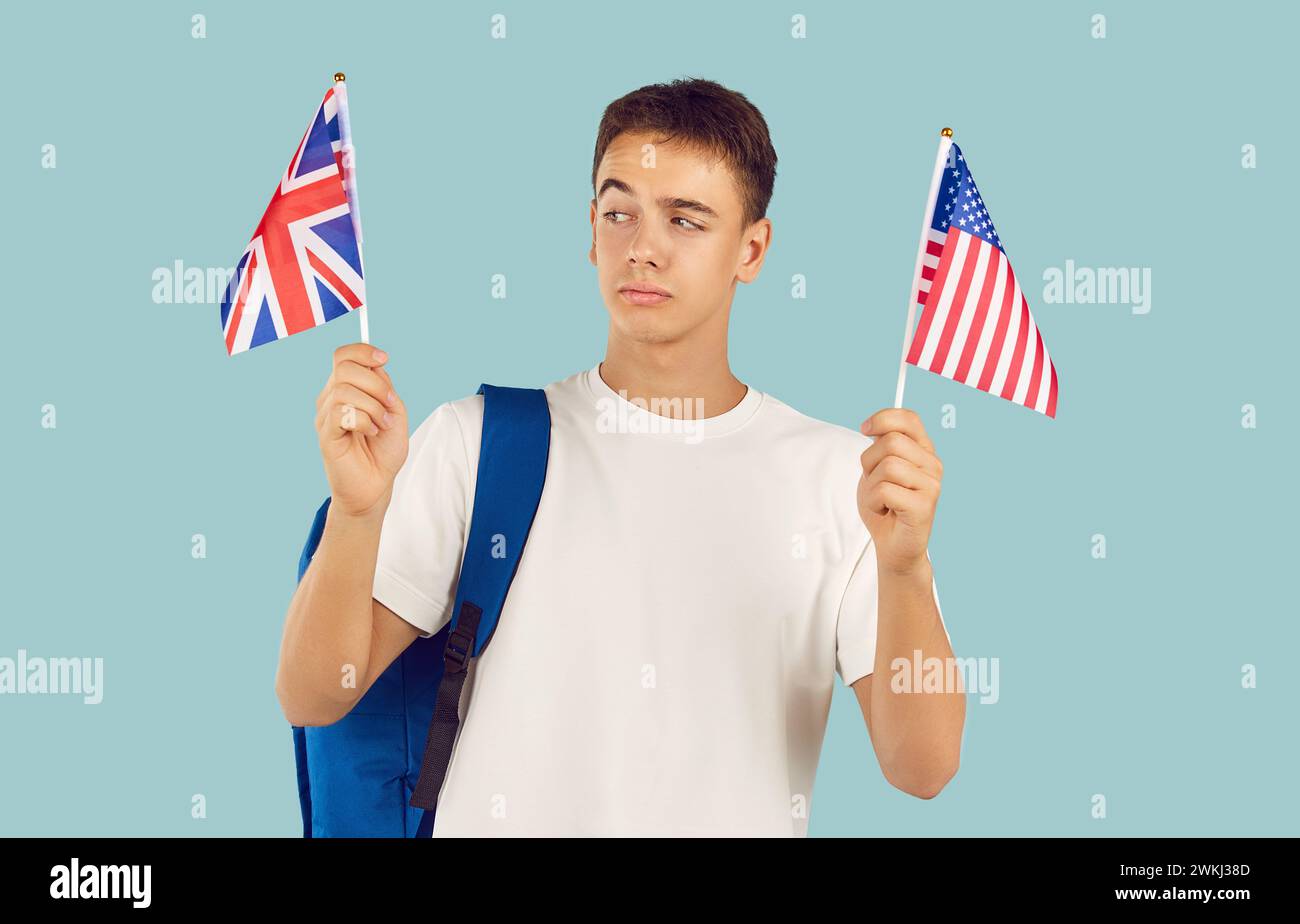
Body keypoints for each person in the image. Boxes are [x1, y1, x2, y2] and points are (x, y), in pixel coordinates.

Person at [275, 77, 965, 837]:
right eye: (619, 212)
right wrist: (357, 512)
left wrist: (904, 569)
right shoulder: (478, 443)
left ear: (753, 249)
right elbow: (314, 697)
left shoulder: (846, 480)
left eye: (686, 220)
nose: (643, 247)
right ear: (590, 229)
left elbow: (922, 768)